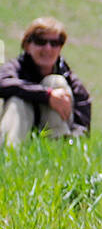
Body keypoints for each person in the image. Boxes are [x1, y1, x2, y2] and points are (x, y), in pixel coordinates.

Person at [0, 17, 91, 146]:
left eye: (55, 43)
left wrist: (74, 142)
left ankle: (57, 150)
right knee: (17, 101)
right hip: (22, 133)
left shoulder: (71, 80)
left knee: (56, 83)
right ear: (27, 45)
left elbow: (83, 126)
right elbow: (2, 83)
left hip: (58, 141)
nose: (48, 48)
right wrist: (47, 95)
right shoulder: (15, 68)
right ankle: (9, 154)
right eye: (40, 41)